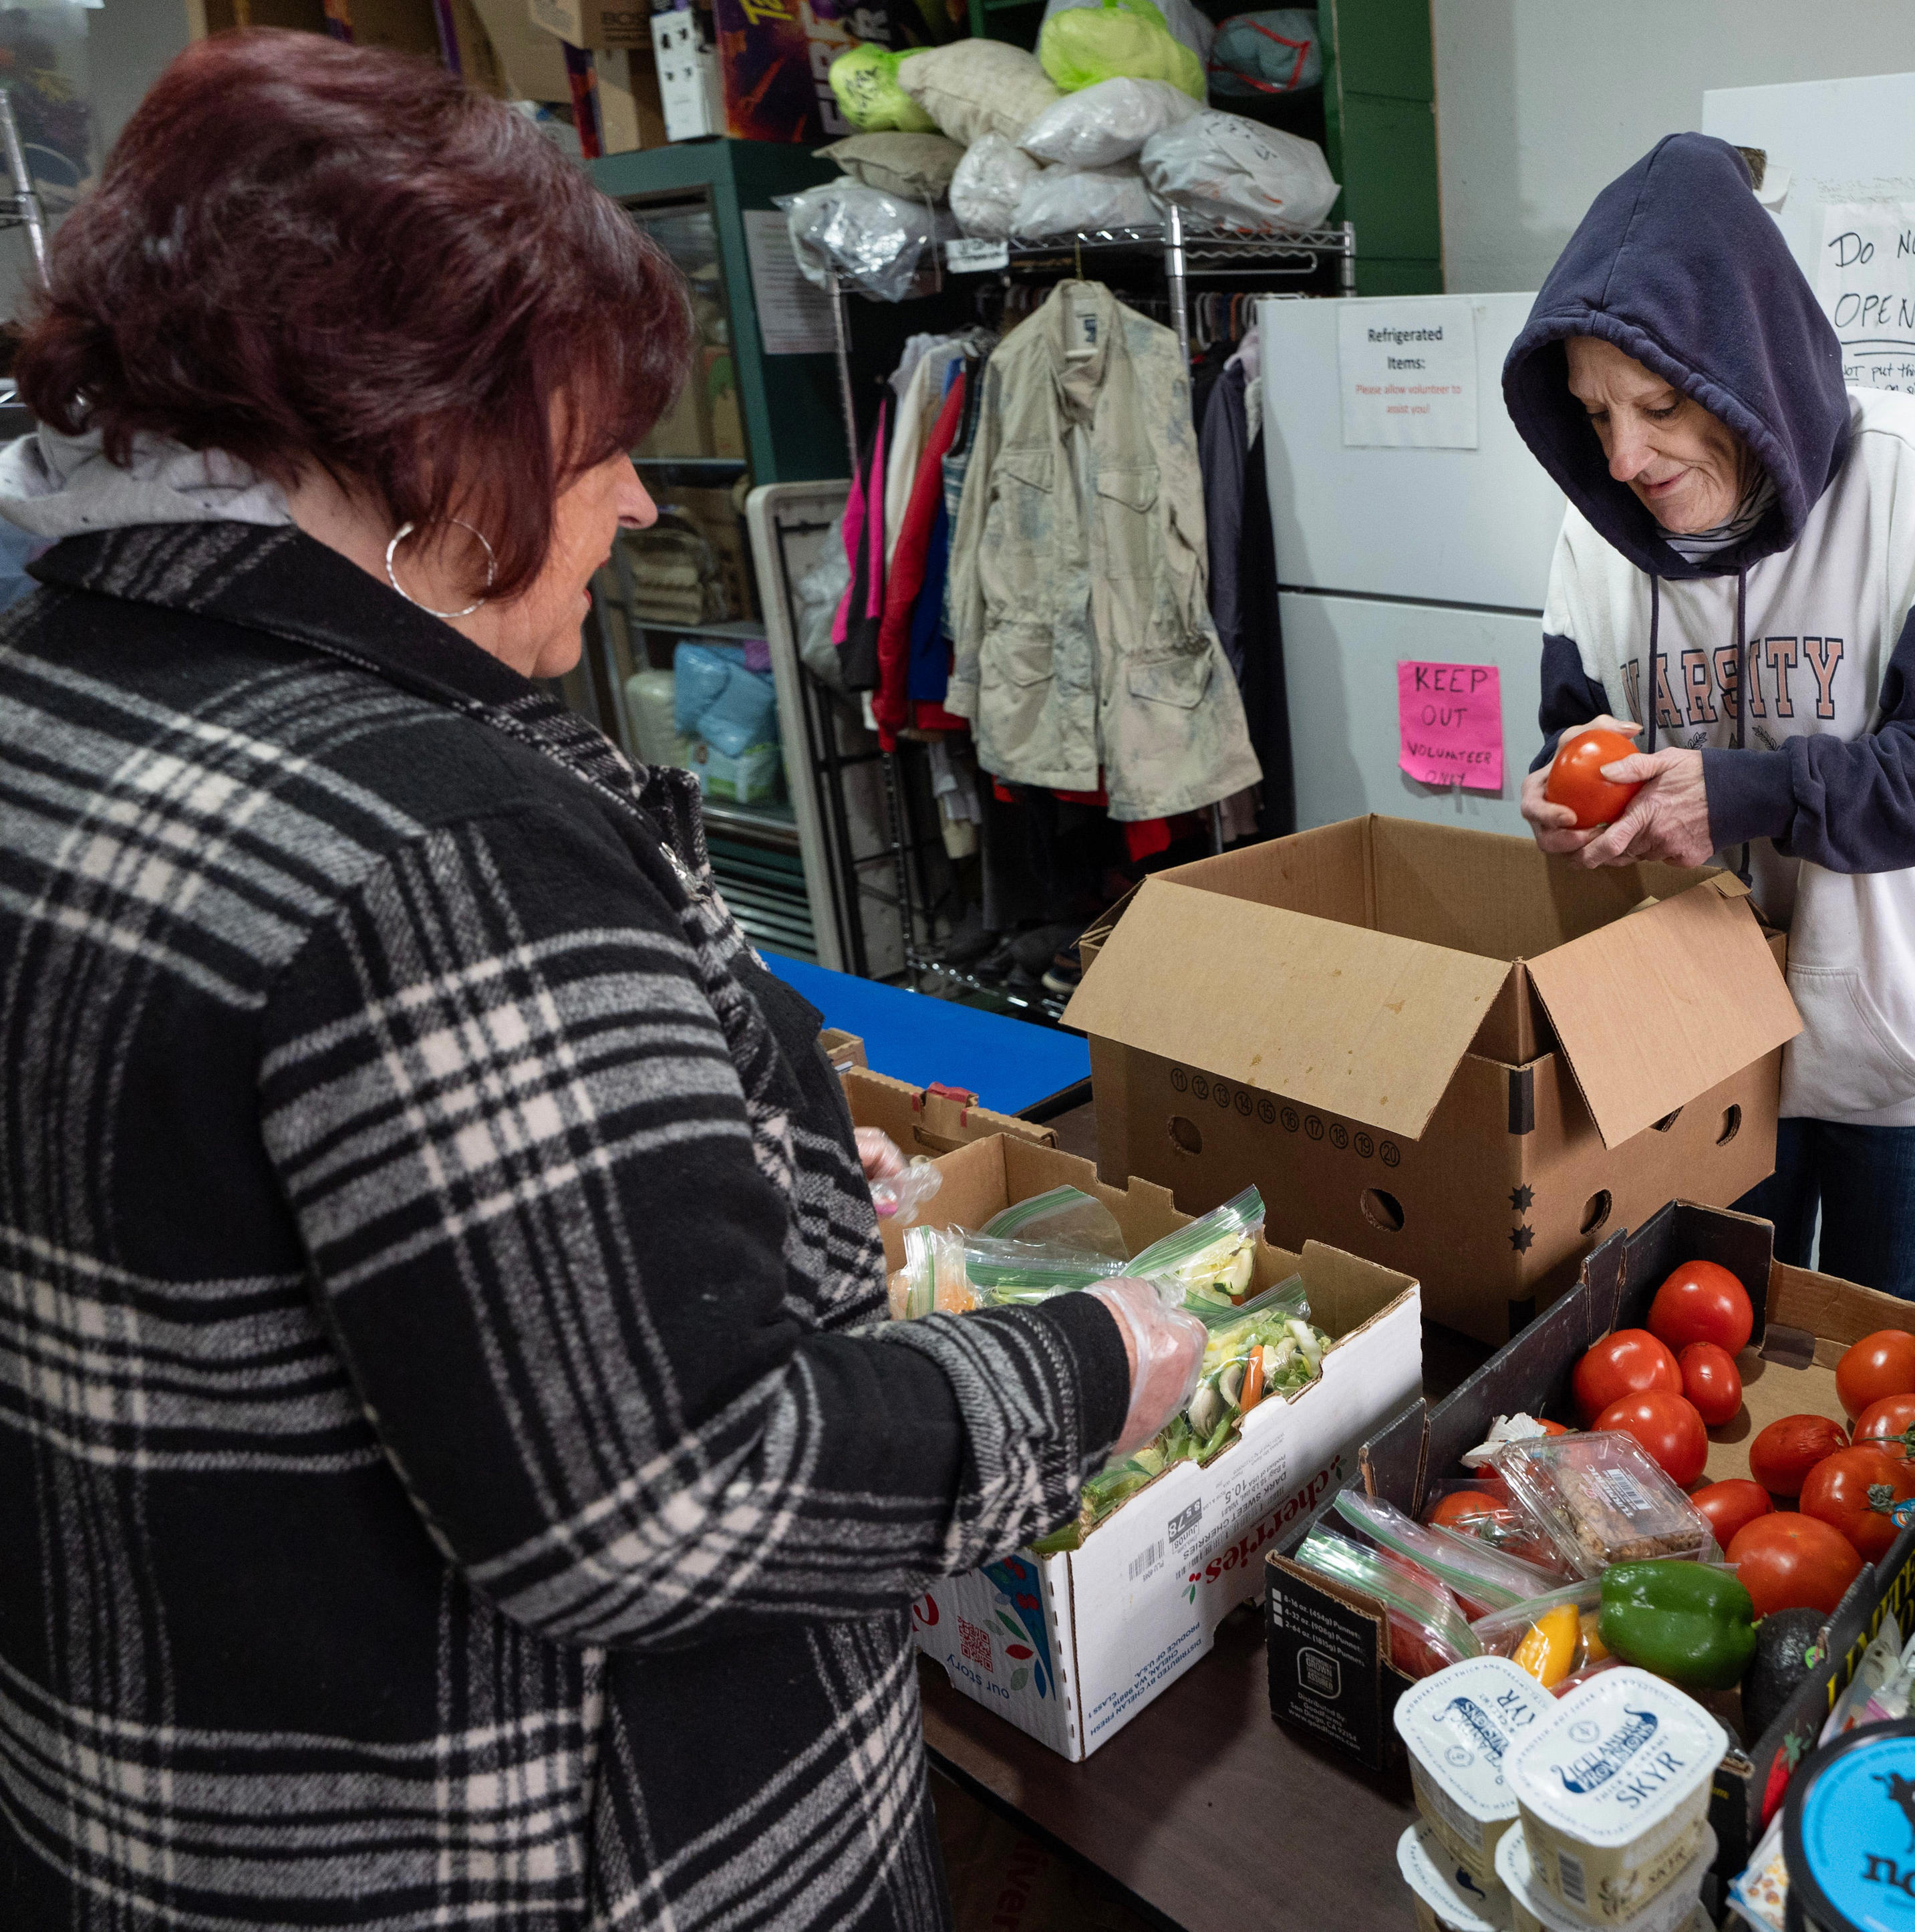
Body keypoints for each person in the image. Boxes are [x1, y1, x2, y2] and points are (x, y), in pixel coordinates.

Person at [0, 34, 1202, 1930]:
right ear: (416, 441)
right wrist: (1085, 1365)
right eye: (591, 449)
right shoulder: (435, 849)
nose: (640, 504)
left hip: (170, 1795)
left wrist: (731, 1163)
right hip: (536, 1852)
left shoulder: (57, 680)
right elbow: (666, 1499)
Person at [1507, 134, 1915, 1303]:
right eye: (1593, 412)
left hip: (1904, 1046)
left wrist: (1747, 792)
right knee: (1723, 1355)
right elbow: (1573, 734)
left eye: (1657, 404)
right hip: (1708, 1047)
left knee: (1877, 1371)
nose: (1623, 455)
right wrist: (1558, 793)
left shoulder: (1905, 472)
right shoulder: (1590, 536)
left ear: (1741, 369)